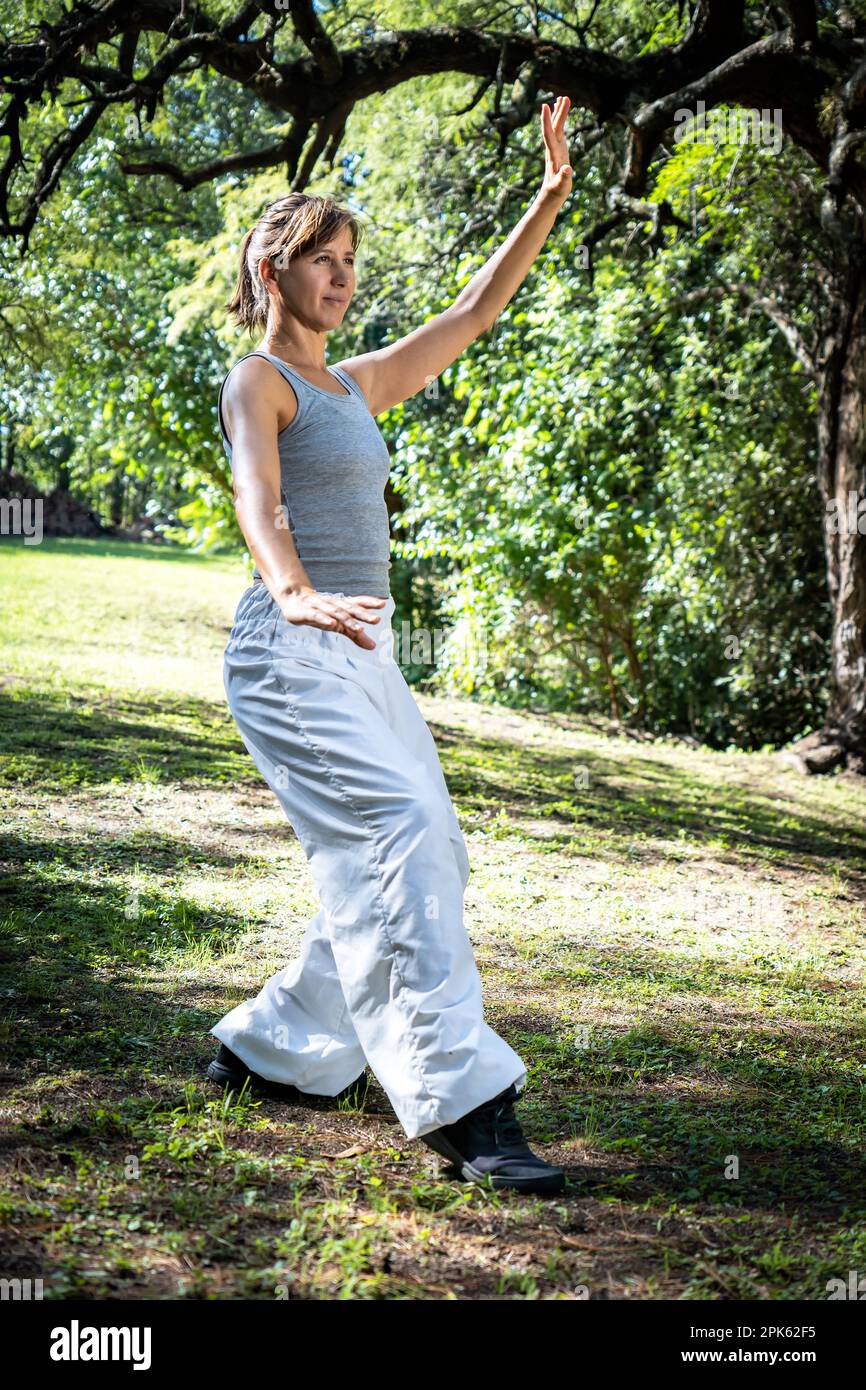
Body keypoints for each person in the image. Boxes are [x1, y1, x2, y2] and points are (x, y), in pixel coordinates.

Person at [207, 97, 574, 1195]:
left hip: (362, 655)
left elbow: (471, 310)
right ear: (274, 270)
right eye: (322, 258)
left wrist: (547, 197)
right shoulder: (258, 381)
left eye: (350, 259)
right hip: (288, 645)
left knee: (426, 845)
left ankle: (271, 1048)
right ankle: (467, 1104)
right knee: (399, 831)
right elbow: (255, 500)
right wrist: (296, 589)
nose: (342, 275)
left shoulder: (354, 383)